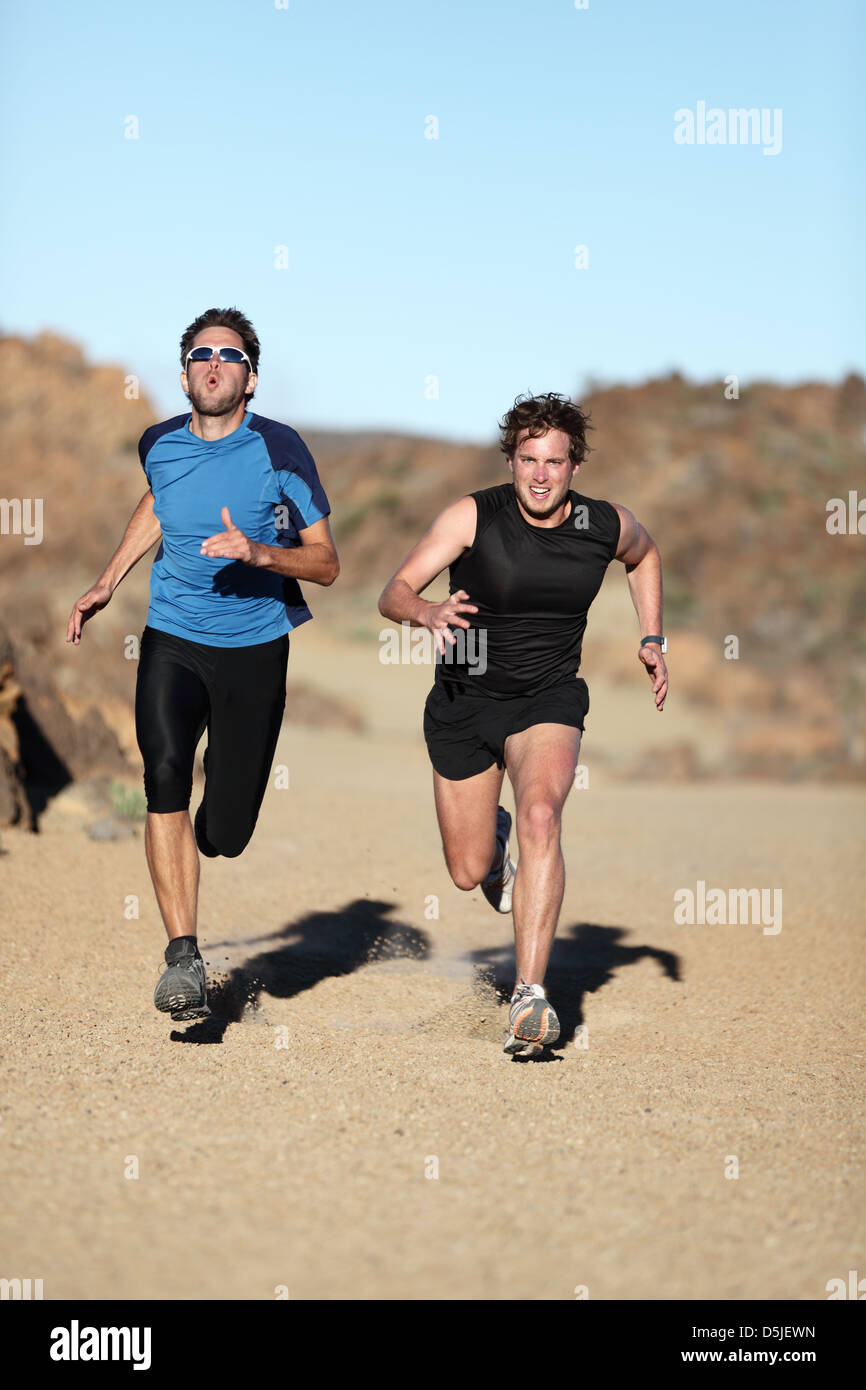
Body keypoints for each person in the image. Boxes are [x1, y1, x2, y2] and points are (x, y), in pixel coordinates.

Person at [66, 307, 339, 1021]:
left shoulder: (281, 450)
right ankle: (182, 958)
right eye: (199, 353)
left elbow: (328, 563)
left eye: (229, 354)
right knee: (161, 775)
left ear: (251, 375)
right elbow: (158, 502)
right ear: (184, 370)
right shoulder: (158, 442)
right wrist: (108, 580)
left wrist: (261, 553)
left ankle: (223, 813)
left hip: (254, 647)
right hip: (173, 636)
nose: (212, 363)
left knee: (224, 833)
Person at [378, 392, 667, 1057]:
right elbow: (394, 591)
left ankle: (529, 997)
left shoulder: (604, 524)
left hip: (548, 698)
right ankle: (494, 844)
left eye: (555, 462)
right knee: (467, 866)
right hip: (464, 702)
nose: (540, 475)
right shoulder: (472, 515)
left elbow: (645, 556)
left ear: (574, 466)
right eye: (528, 459)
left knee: (544, 815)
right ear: (511, 460)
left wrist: (654, 636)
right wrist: (424, 614)